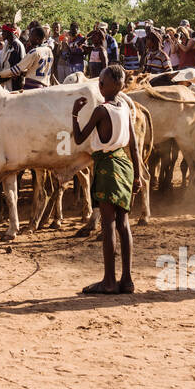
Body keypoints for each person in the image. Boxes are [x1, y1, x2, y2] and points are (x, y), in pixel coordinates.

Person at [71, 65, 140, 295]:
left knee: (109, 224)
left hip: (107, 168)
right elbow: (134, 145)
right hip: (125, 166)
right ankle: (127, 280)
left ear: (113, 85)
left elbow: (80, 138)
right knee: (124, 224)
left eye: (102, 82)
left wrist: (74, 114)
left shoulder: (102, 110)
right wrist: (138, 176)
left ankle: (109, 281)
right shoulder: (125, 107)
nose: (99, 85)